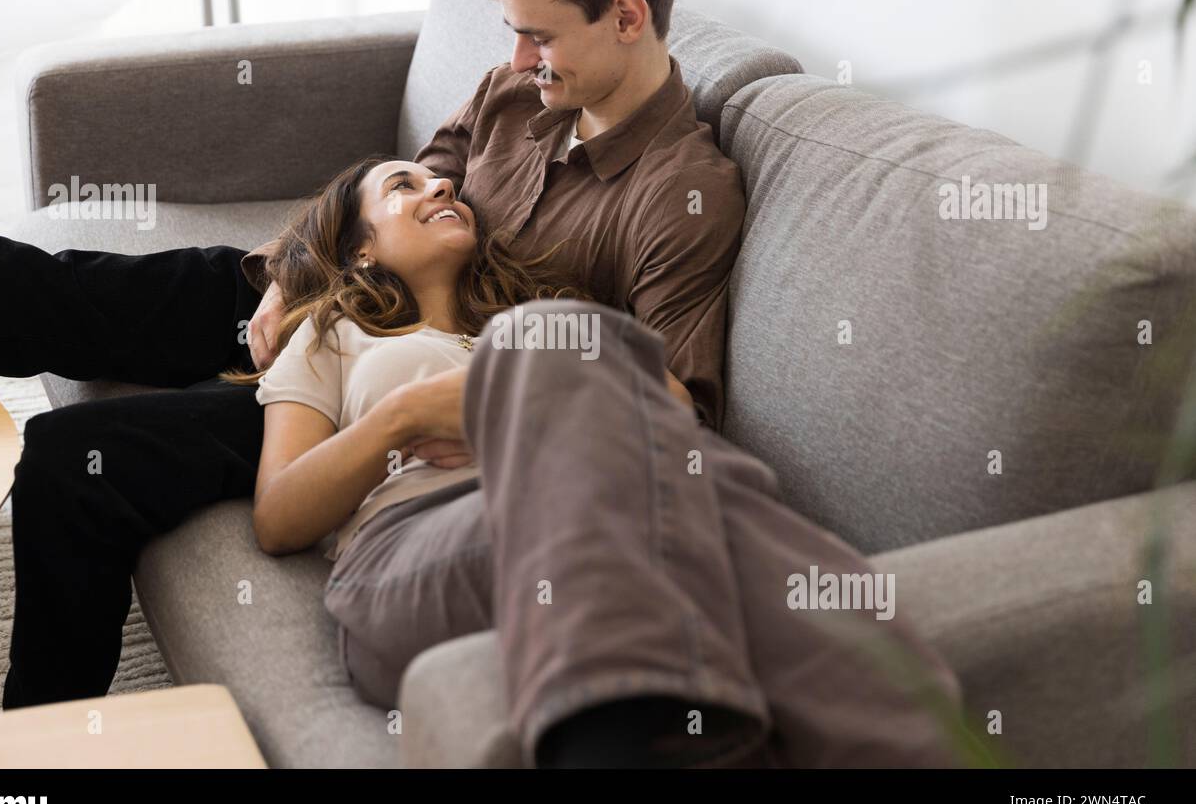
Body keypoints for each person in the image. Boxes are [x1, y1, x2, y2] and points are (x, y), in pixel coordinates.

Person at [0, 0, 965, 765]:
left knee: (78, 467)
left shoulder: (680, 194)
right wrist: (302, 268)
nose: (514, 55)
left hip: (422, 366)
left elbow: (673, 405)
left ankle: (25, 767)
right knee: (1, 282)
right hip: (347, 281)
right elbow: (409, 177)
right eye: (511, 30)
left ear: (628, 17)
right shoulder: (520, 85)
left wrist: (480, 397)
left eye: (539, 33)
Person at [233, 154, 966, 769]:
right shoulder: (337, 333)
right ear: (360, 247)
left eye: (443, 182)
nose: (441, 187)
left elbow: (673, 410)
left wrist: (522, 380)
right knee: (721, 502)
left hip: (590, 507)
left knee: (563, 344)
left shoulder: (527, 317)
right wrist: (408, 415)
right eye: (403, 186)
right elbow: (279, 515)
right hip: (410, 554)